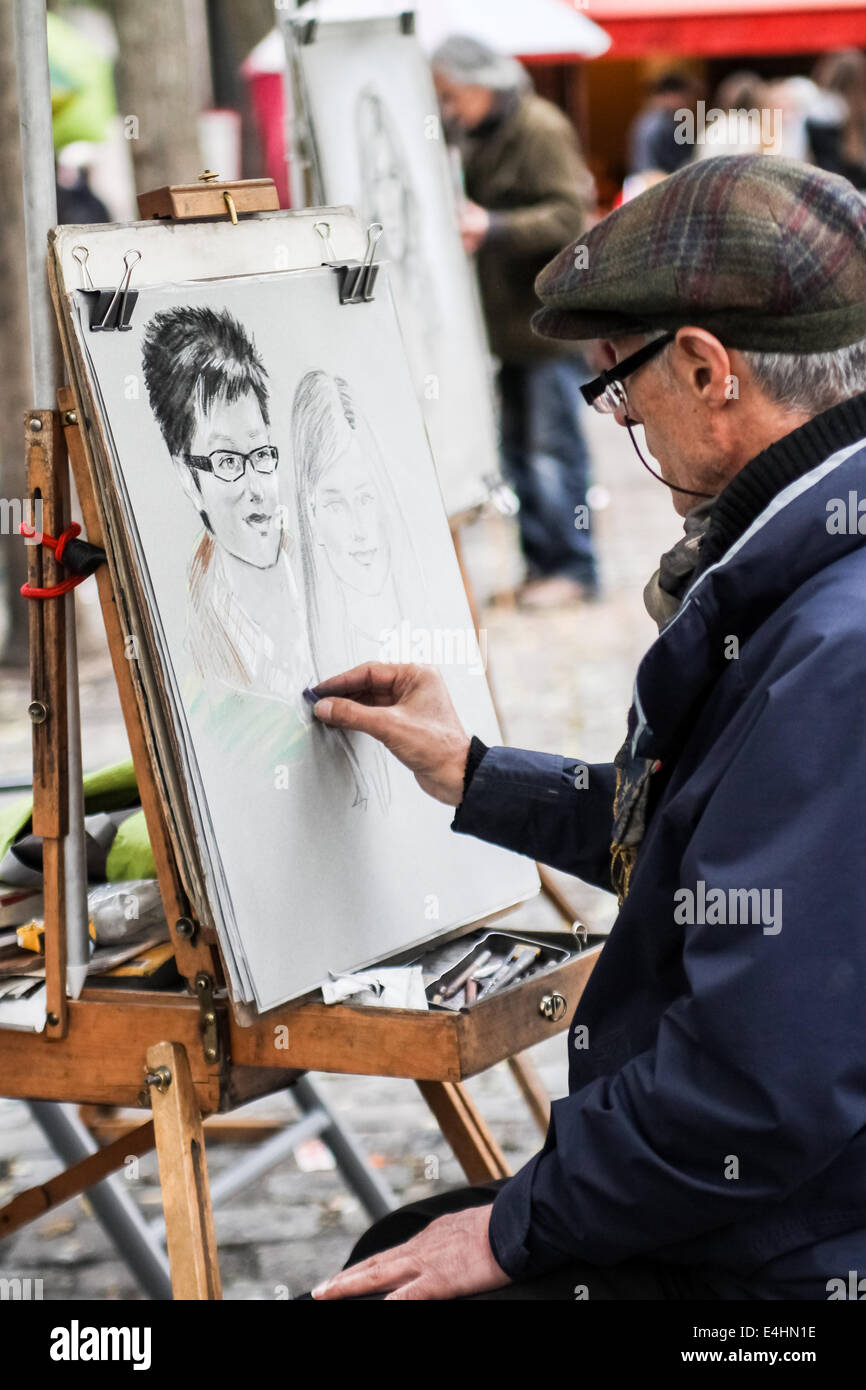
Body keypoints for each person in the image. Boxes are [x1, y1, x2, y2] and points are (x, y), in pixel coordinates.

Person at [306, 155, 866, 1300]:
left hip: (793, 1247)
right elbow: (708, 837)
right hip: (787, 1198)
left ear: (707, 368)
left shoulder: (834, 644)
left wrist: (520, 1228)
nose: (621, 418)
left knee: (393, 1271)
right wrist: (472, 773)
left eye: (617, 385)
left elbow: (756, 1091)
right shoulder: (808, 575)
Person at [432, 35, 598, 608]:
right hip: (509, 330)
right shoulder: (480, 136)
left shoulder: (539, 127)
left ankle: (575, 568)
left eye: (454, 95)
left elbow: (568, 218)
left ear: (482, 82)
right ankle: (543, 563)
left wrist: (493, 227)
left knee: (552, 451)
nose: (450, 108)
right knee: (521, 454)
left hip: (546, 328)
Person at [627, 71, 697, 177]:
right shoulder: (657, 125)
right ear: (672, 95)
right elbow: (650, 170)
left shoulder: (652, 119)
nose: (691, 102)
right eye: (687, 96)